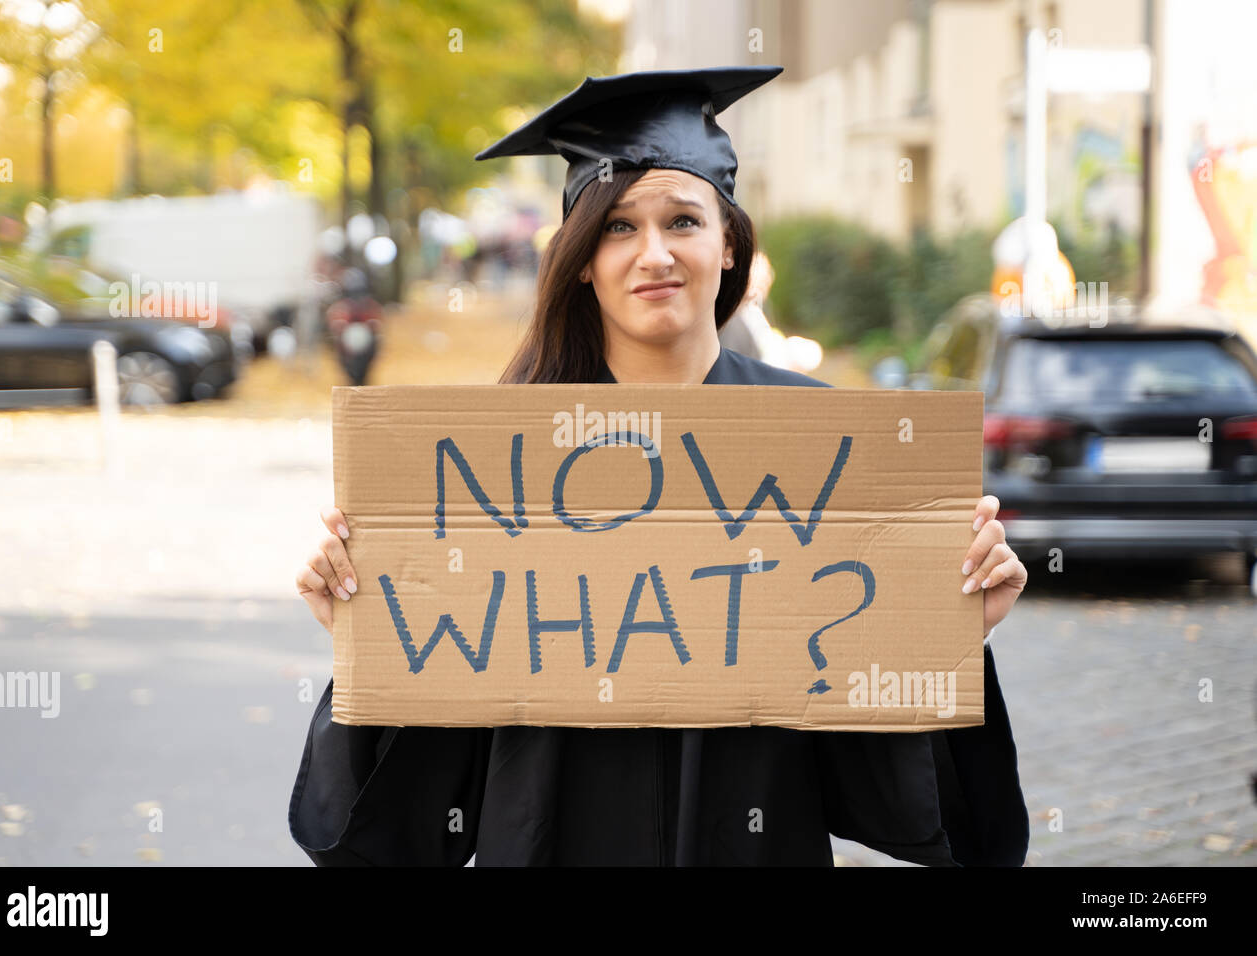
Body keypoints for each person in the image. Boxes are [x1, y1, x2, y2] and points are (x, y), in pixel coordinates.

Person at [289, 66, 1030, 866]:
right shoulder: (497, 460)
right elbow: (398, 830)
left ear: (729, 242)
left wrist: (945, 633)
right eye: (617, 227)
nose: (654, 255)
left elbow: (915, 810)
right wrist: (372, 639)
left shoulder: (820, 448)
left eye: (683, 220)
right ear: (578, 258)